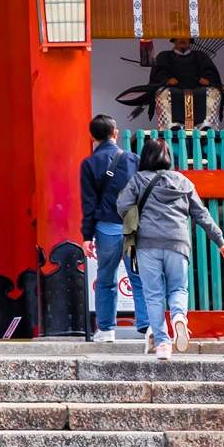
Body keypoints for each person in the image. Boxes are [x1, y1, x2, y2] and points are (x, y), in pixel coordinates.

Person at [116, 139, 224, 360]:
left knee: (153, 295)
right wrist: (221, 242)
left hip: (147, 244)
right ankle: (179, 318)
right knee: (178, 289)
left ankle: (162, 344)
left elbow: (122, 205)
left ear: (145, 157)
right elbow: (202, 214)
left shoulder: (138, 180)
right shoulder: (183, 181)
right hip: (177, 244)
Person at [77, 115, 141, 343]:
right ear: (115, 132)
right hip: (132, 228)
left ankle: (106, 330)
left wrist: (87, 235)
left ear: (92, 136)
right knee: (138, 278)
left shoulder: (89, 164)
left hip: (105, 229)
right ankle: (147, 326)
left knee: (106, 279)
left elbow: (88, 203)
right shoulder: (133, 159)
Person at [148, 38, 223, 130]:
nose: (182, 39)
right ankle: (171, 126)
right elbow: (158, 75)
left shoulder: (200, 56)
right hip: (173, 90)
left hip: (199, 90)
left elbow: (211, 75)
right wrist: (167, 80)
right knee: (163, 92)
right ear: (174, 40)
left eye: (185, 36)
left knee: (213, 92)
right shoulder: (164, 56)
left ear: (190, 40)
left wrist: (207, 80)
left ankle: (206, 125)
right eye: (179, 36)